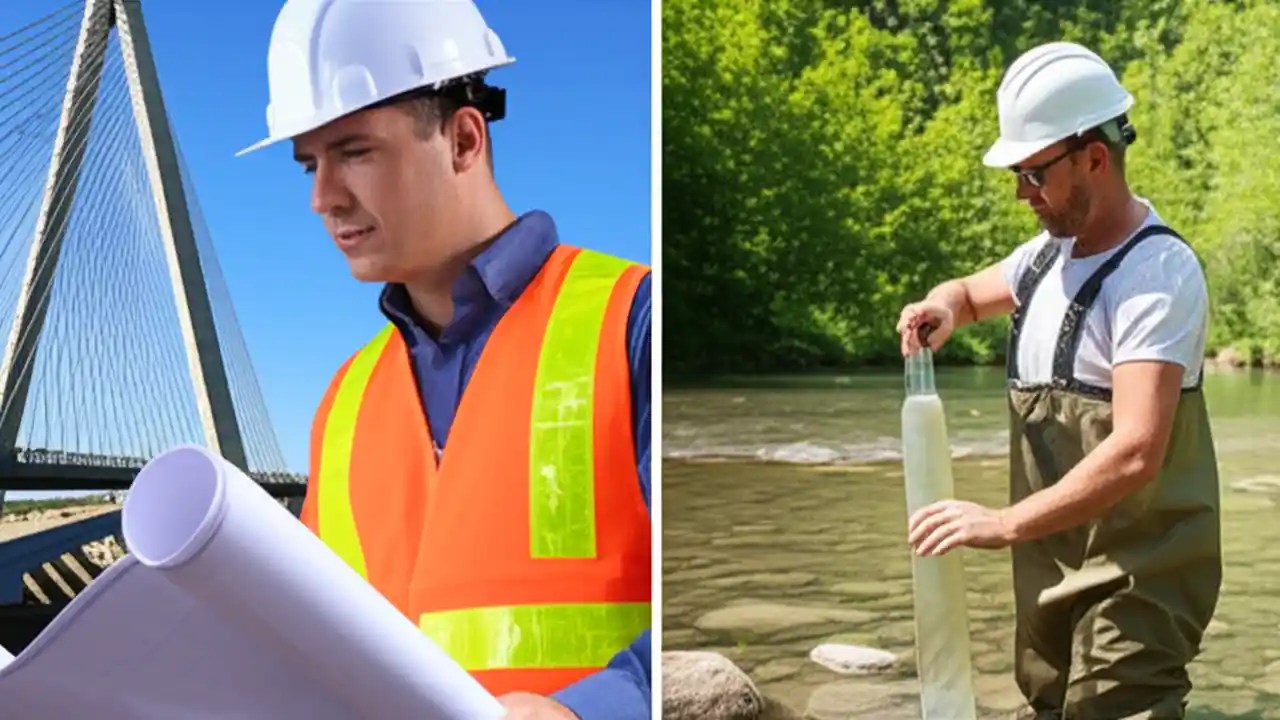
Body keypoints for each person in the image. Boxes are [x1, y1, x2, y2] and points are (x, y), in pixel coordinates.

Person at [237, 2, 652, 719]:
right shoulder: (344, 401)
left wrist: (589, 708)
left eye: (355, 152)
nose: (321, 198)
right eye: (310, 163)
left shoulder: (635, 320)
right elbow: (313, 640)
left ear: (463, 139)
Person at [897, 42, 1221, 719]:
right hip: (1052, 574)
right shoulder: (1047, 256)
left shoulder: (1155, 276)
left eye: (1034, 173)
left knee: (1118, 704)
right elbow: (966, 292)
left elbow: (1136, 450)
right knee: (1047, 703)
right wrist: (941, 307)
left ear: (1094, 158)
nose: (1022, 192)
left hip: (1142, 576)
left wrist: (1003, 522)